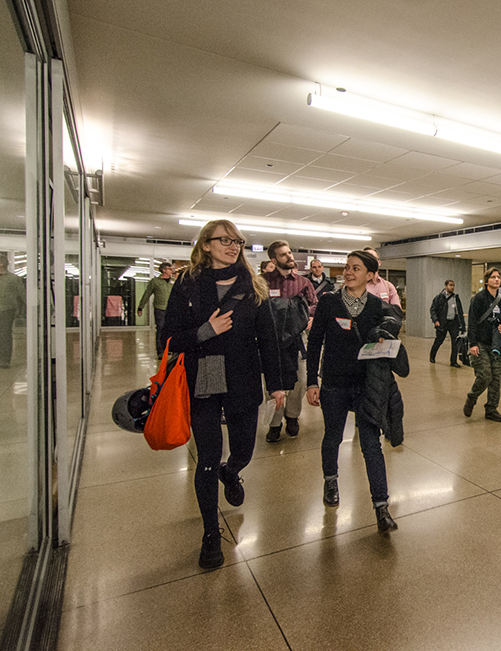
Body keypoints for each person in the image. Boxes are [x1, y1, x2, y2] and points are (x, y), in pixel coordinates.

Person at [161, 220, 287, 569]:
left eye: (238, 242)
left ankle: (231, 472)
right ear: (206, 245)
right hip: (203, 379)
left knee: (244, 450)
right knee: (206, 459)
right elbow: (167, 339)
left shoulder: (255, 287)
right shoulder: (187, 285)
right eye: (225, 240)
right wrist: (205, 331)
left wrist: (276, 383)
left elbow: (269, 341)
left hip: (243, 379)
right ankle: (211, 534)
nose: (233, 246)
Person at [306, 250, 398, 532]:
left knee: (371, 444)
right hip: (334, 383)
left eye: (355, 268)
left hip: (364, 385)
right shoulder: (328, 303)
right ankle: (331, 481)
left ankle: (381, 507)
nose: (348, 272)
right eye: (346, 267)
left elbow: (383, 338)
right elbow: (315, 343)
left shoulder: (374, 306)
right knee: (333, 436)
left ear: (370, 276)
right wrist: (312, 381)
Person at [263, 241, 318, 442]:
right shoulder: (263, 282)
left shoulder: (303, 283)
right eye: (283, 254)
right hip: (271, 340)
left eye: (289, 253)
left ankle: (292, 416)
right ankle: (274, 424)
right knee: (273, 383)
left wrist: (308, 316)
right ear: (274, 259)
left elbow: (314, 305)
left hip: (297, 339)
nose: (289, 257)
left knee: (300, 381)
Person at [463, 268, 501, 422]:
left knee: (496, 379)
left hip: (498, 345)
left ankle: (491, 409)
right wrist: (472, 343)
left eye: (498, 277)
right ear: (486, 281)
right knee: (485, 375)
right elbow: (471, 322)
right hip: (481, 343)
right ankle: (472, 397)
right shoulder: (479, 299)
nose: (497, 280)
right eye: (493, 277)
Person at [137, 262, 175, 356]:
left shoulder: (173, 281)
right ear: (164, 270)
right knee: (161, 329)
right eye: (170, 269)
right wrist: (140, 307)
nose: (172, 271)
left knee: (170, 330)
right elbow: (147, 294)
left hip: (171, 309)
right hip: (160, 309)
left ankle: (168, 348)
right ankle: (160, 351)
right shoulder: (155, 282)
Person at [429, 279, 465, 367]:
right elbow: (432, 310)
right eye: (450, 285)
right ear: (446, 286)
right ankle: (432, 356)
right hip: (443, 323)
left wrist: (462, 325)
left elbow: (460, 312)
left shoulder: (456, 298)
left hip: (453, 323)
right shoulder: (439, 297)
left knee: (455, 342)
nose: (452, 287)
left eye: (453, 285)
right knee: (439, 340)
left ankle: (453, 361)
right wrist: (436, 321)